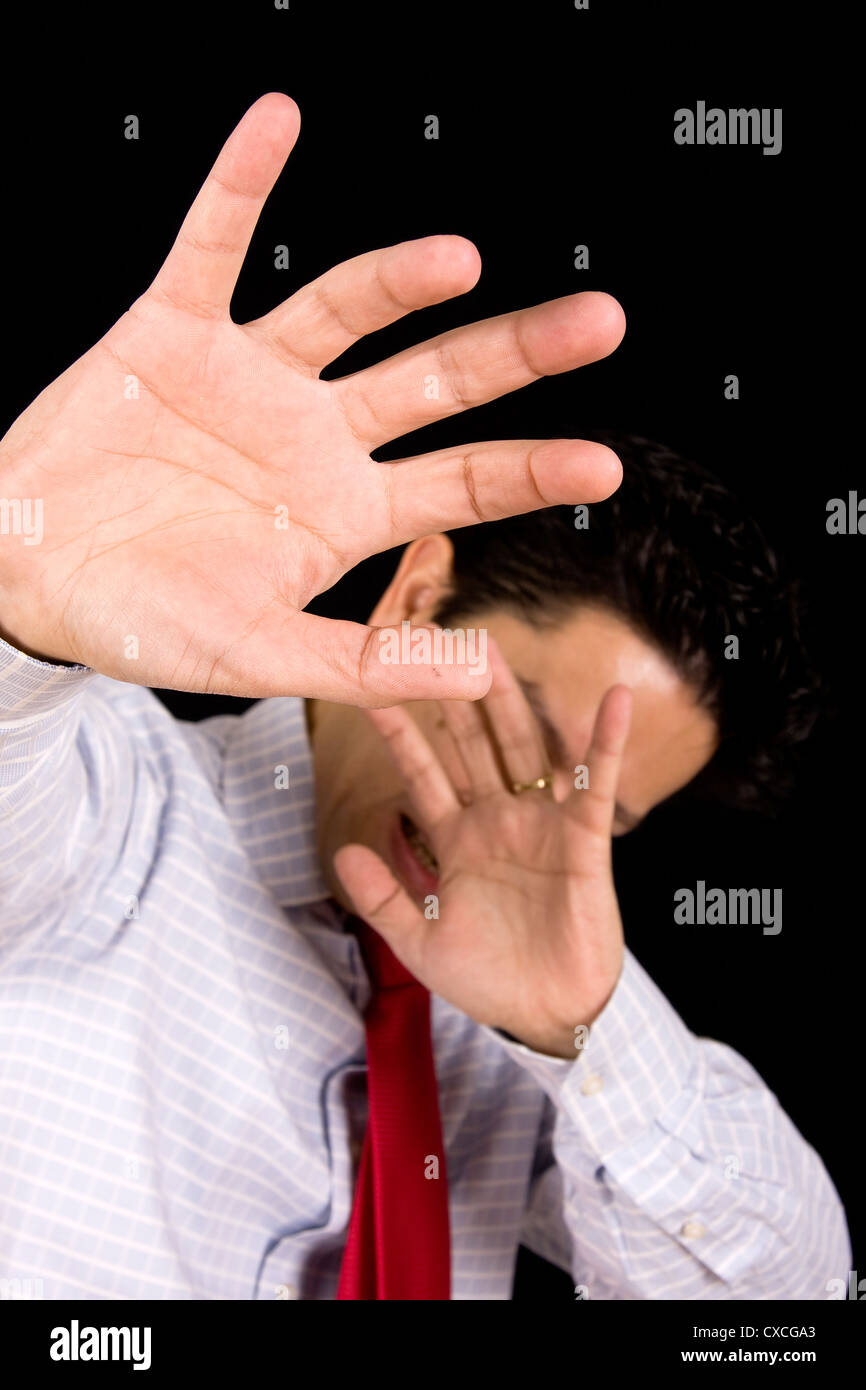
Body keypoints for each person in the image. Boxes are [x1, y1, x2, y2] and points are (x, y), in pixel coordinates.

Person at [0, 96, 850, 1301]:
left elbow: (787, 1307)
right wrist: (15, 597)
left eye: (595, 815)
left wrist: (581, 1027)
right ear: (413, 600)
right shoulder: (105, 816)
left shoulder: (522, 1043)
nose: (522, 820)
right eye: (527, 742)